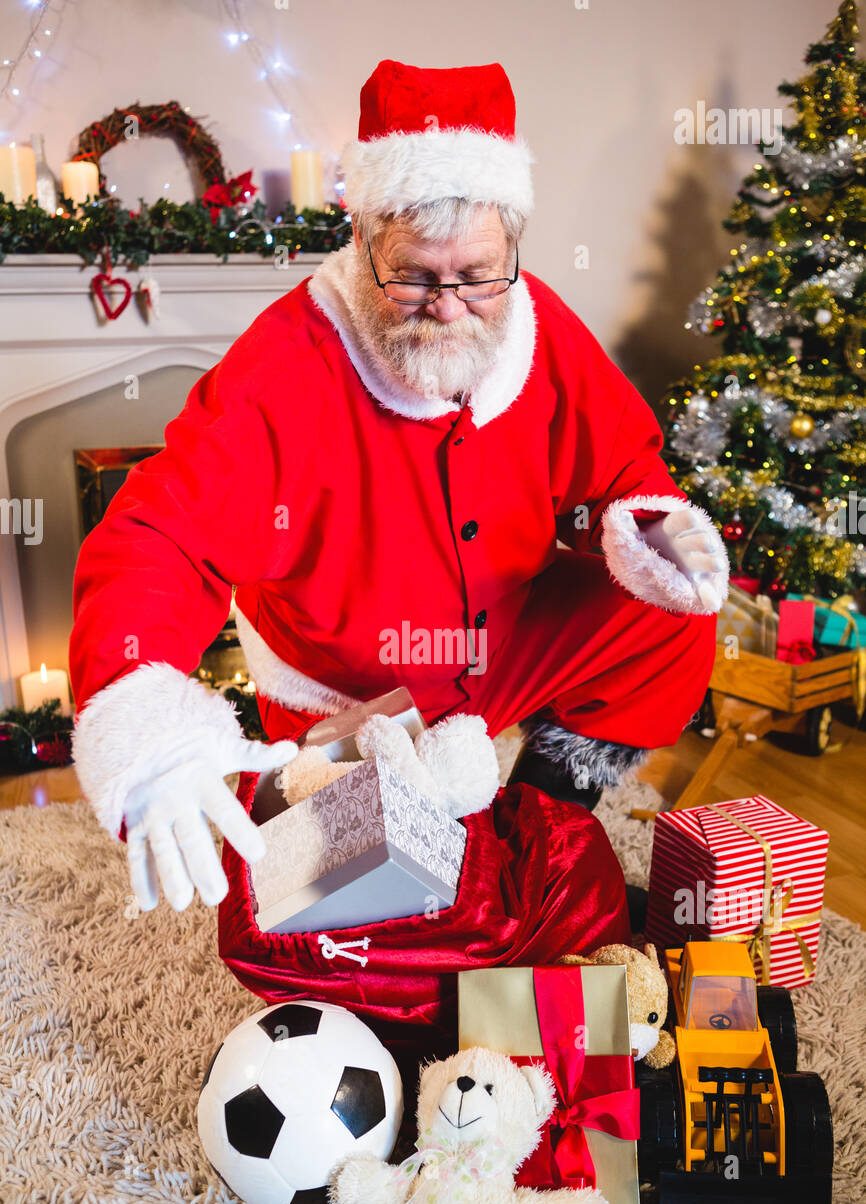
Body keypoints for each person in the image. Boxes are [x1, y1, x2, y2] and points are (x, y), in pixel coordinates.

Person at [69, 59, 726, 917]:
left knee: (668, 619)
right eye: (415, 276)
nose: (451, 306)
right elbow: (160, 532)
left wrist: (650, 525)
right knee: (347, 915)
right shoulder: (285, 366)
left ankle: (539, 831)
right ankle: (409, 855)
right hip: (347, 689)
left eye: (480, 274)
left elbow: (620, 464)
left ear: (511, 247)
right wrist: (144, 723)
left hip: (500, 645)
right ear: (366, 240)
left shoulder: (535, 325)